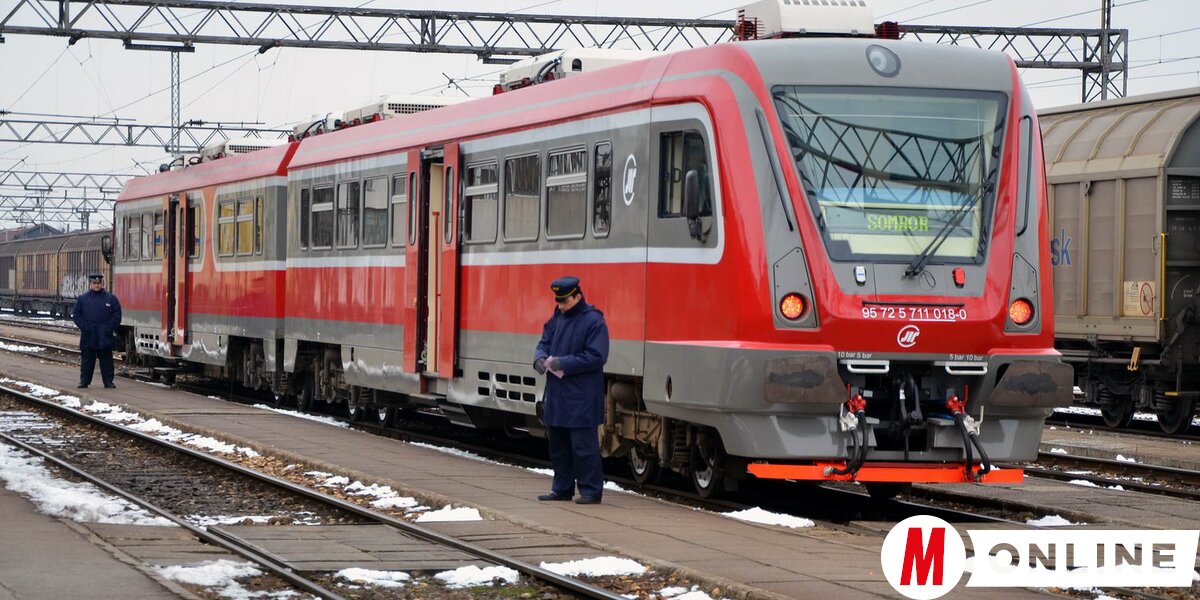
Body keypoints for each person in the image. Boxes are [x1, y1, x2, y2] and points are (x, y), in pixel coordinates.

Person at [533, 275, 610, 505]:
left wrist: (564, 363)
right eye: (558, 301)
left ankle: (591, 491)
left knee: (584, 446)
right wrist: (539, 358)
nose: (561, 306)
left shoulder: (594, 321)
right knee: (559, 446)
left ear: (577, 296)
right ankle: (562, 488)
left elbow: (597, 356)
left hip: (581, 396)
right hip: (558, 394)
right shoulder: (557, 317)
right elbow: (544, 342)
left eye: (565, 301)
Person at [71, 273, 122, 389]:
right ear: (90, 284)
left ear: (101, 284)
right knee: (87, 361)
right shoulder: (83, 299)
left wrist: (109, 328)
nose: (96, 285)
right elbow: (76, 315)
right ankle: (84, 381)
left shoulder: (110, 298)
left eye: (98, 283)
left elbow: (117, 315)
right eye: (94, 283)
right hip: (89, 335)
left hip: (105, 335)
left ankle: (108, 381)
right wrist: (85, 327)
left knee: (107, 361)